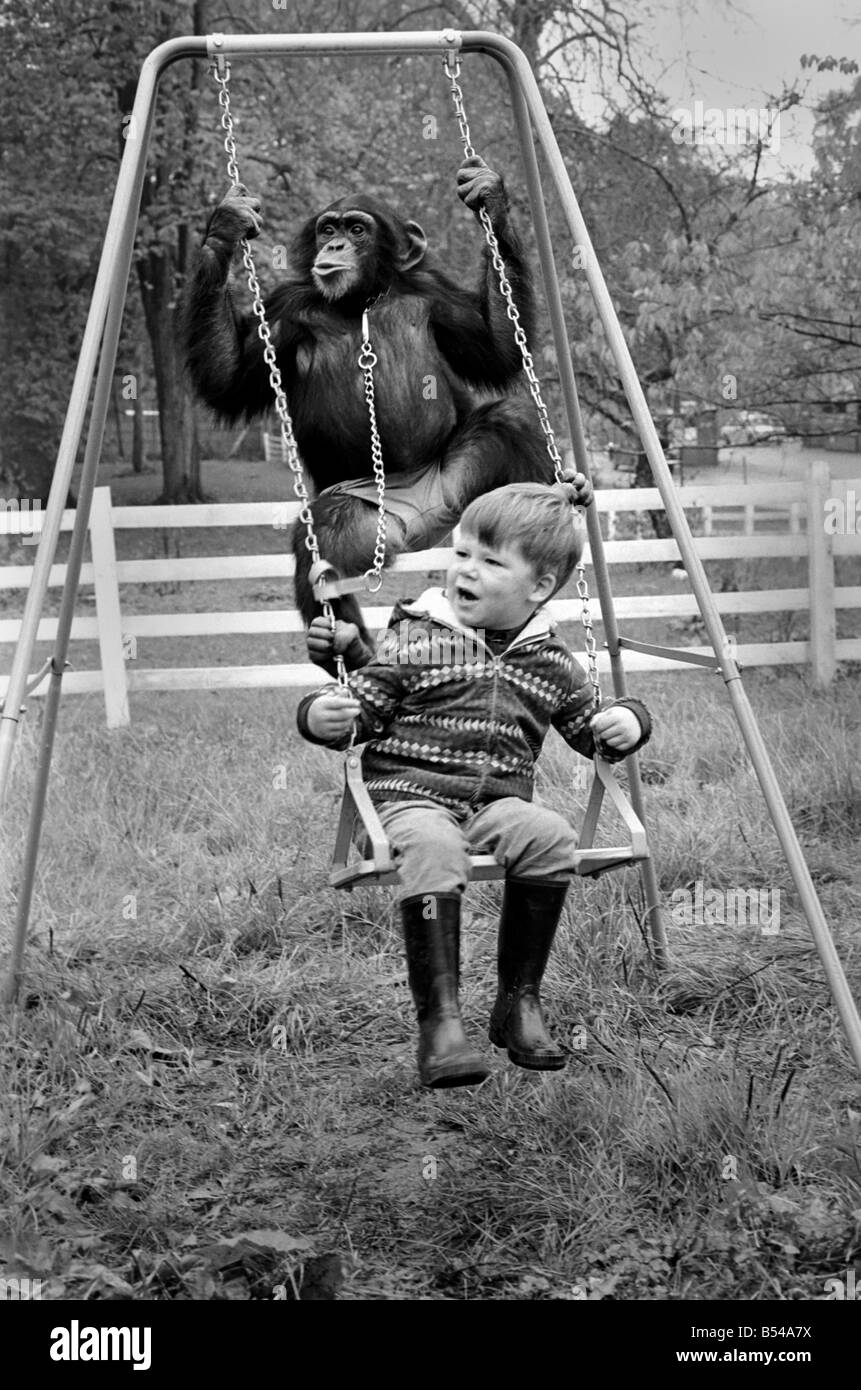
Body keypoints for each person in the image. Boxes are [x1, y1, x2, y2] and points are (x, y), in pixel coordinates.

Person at [296, 482, 652, 1090]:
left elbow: (591, 733)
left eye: (490, 561)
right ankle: (441, 1022)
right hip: (407, 799)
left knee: (550, 834)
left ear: (537, 587)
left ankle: (519, 1003)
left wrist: (628, 722)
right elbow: (366, 709)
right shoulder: (418, 636)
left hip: (494, 805)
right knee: (436, 847)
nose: (467, 570)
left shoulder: (551, 662)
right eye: (461, 553)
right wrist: (321, 715)